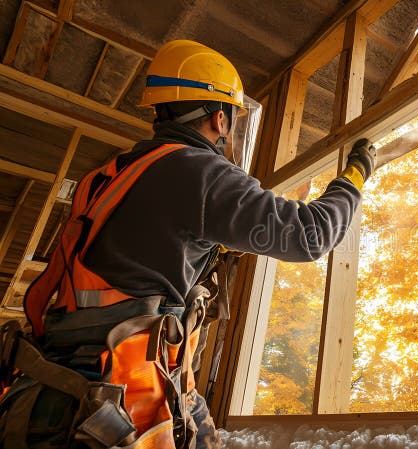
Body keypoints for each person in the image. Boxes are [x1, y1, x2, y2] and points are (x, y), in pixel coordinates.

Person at [0, 39, 376, 449]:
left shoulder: (107, 176)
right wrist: (355, 175)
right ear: (219, 118)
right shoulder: (199, 170)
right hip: (119, 402)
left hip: (49, 387)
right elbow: (311, 234)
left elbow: (138, 253)